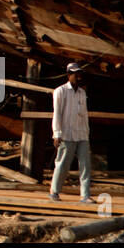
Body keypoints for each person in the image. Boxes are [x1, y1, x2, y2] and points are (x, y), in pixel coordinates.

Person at [50, 61, 92, 202]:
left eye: (79, 73)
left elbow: (84, 114)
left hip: (81, 133)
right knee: (62, 163)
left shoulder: (82, 92)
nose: (78, 76)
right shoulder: (60, 91)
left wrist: (87, 132)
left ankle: (85, 195)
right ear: (69, 75)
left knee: (85, 165)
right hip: (67, 134)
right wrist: (57, 133)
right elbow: (57, 114)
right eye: (75, 74)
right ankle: (54, 191)